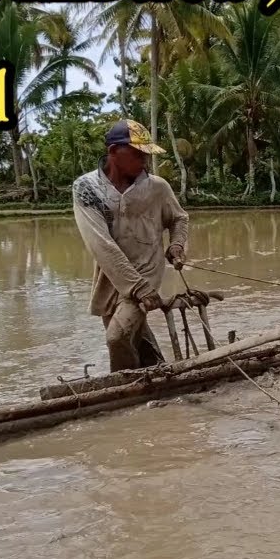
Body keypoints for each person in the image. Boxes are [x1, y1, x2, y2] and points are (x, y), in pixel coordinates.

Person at [72, 119, 190, 372]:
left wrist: (176, 245)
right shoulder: (87, 189)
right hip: (112, 278)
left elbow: (179, 218)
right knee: (136, 339)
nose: (143, 161)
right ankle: (158, 373)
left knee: (117, 337)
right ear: (114, 152)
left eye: (145, 155)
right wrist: (136, 288)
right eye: (137, 154)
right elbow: (100, 244)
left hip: (146, 273)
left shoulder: (157, 187)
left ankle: (126, 388)